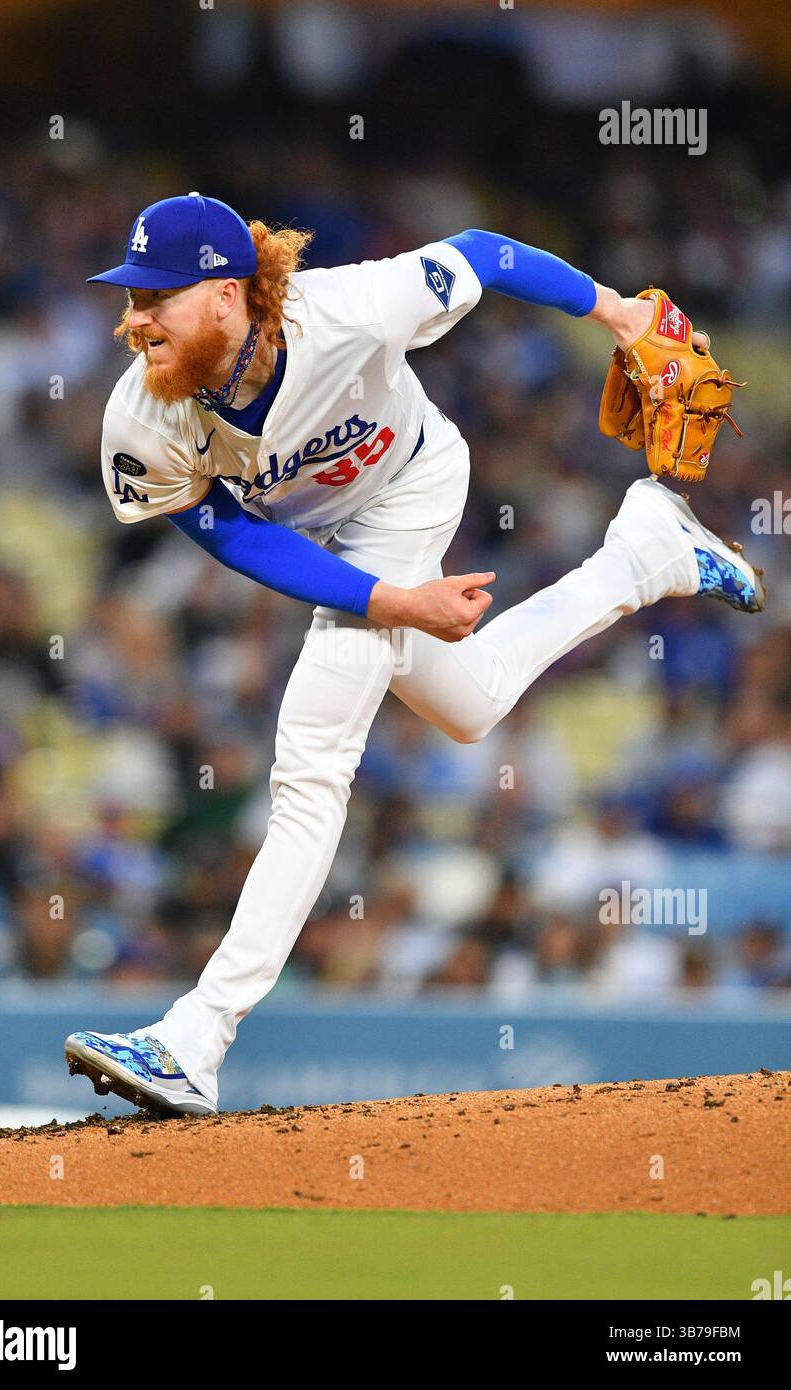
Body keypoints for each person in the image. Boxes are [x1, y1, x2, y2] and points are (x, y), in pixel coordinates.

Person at [66, 193, 764, 1115]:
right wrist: (394, 600)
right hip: (335, 541)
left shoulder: (349, 308)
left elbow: (480, 252)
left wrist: (622, 312)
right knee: (469, 704)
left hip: (413, 485)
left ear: (228, 295)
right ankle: (648, 555)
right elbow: (231, 536)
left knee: (311, 759)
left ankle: (197, 1038)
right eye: (131, 294)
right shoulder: (140, 416)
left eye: (157, 296)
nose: (136, 317)